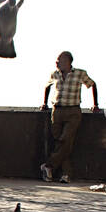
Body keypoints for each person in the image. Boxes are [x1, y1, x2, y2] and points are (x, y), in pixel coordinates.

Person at [41, 51, 99, 183]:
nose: (56, 63)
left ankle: (49, 165)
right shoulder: (54, 74)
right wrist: (44, 103)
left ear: (68, 61)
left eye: (59, 60)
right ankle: (65, 174)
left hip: (73, 110)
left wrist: (95, 104)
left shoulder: (80, 73)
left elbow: (92, 85)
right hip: (57, 110)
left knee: (66, 139)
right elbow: (47, 86)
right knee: (60, 143)